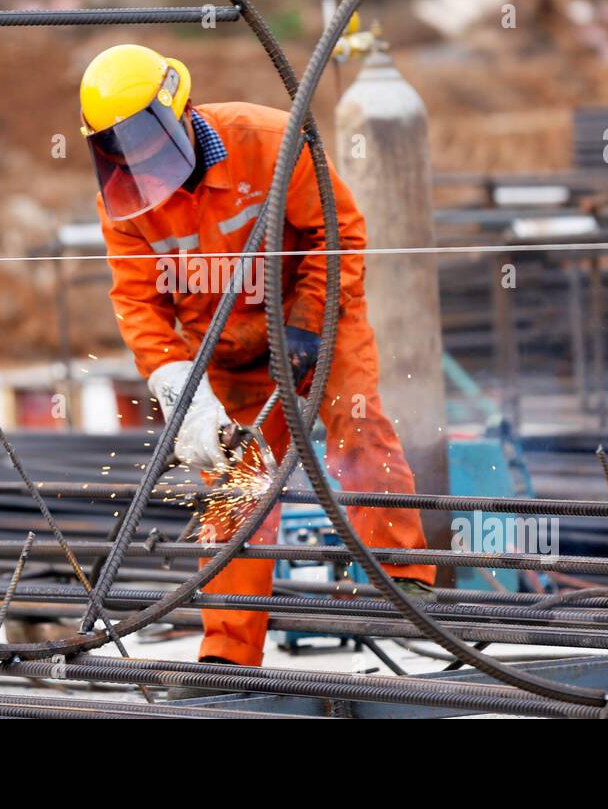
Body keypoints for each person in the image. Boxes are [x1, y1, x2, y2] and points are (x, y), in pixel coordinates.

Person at [82, 43, 436, 668]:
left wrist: (305, 322)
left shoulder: (267, 140)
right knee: (238, 479)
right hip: (223, 346)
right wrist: (177, 391)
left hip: (315, 313)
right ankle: (228, 651)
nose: (145, 166)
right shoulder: (127, 202)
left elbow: (341, 231)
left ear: (180, 110)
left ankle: (401, 579)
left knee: (357, 427)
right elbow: (139, 305)